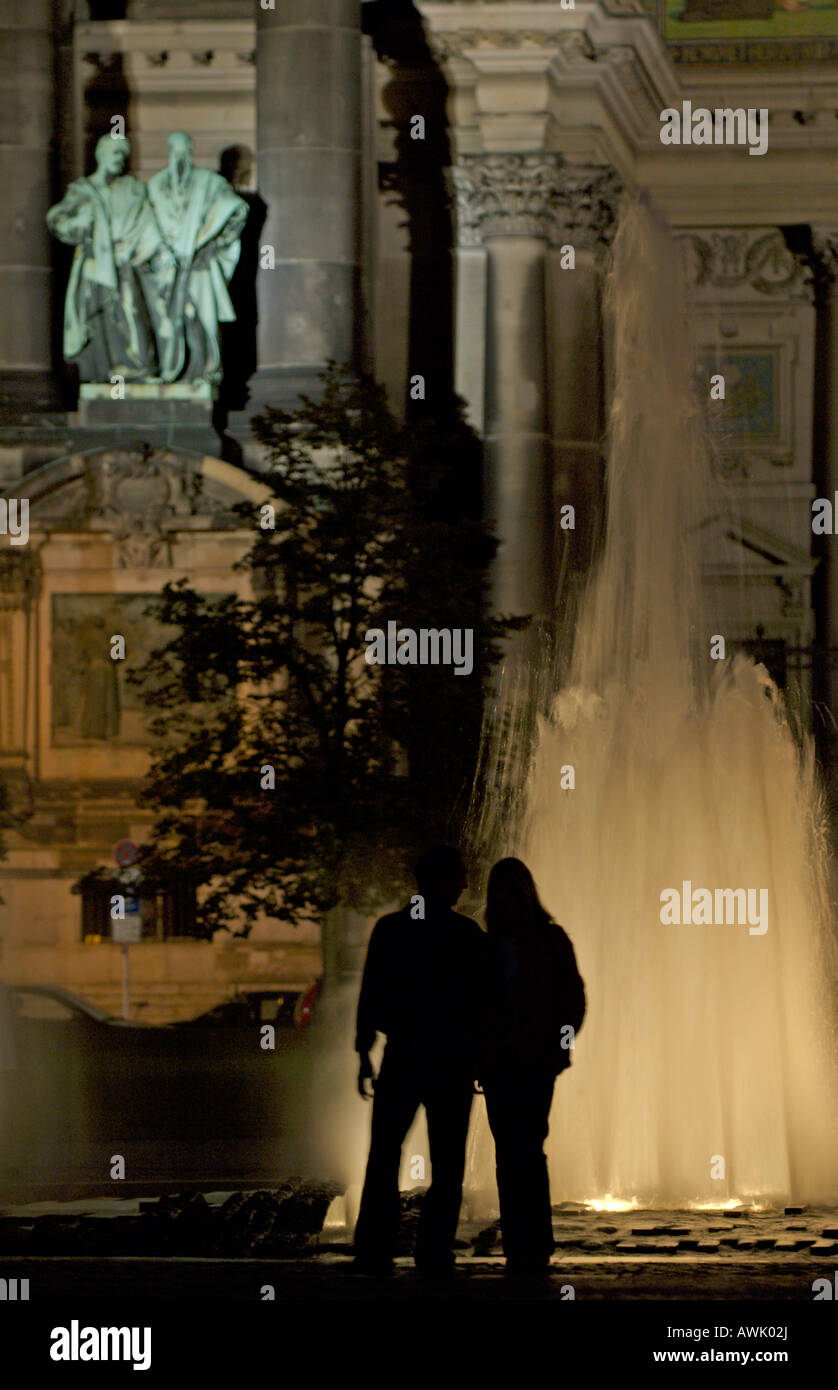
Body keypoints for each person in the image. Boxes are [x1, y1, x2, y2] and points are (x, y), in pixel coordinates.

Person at [353, 845, 486, 1278]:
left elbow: (371, 993)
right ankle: (433, 1248)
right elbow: (483, 1005)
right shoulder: (465, 934)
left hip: (404, 1055)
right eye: (459, 878)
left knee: (385, 1153)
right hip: (452, 1059)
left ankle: (374, 1245)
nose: (466, 886)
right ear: (440, 881)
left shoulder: (391, 930)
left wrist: (363, 1051)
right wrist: (482, 1057)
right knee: (448, 1161)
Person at [479, 857, 586, 1277]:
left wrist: (558, 1052)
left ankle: (534, 1241)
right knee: (510, 1151)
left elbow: (573, 1000)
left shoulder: (551, 940)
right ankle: (520, 1242)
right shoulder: (485, 946)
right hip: (498, 1064)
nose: (504, 899)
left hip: (535, 1064)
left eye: (511, 891)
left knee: (527, 1147)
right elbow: (474, 1007)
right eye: (498, 891)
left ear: (525, 894)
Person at [46, 134, 162, 382]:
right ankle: (103, 372)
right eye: (114, 153)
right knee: (95, 316)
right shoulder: (82, 190)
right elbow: (58, 220)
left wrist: (134, 250)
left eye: (123, 154)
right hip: (94, 264)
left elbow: (147, 224)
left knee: (130, 311)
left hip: (124, 262)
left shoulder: (132, 189)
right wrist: (78, 223)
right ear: (100, 155)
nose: (119, 159)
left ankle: (138, 367)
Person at [146, 132, 248, 384]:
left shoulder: (209, 182)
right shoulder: (156, 185)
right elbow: (146, 222)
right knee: (171, 319)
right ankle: (172, 370)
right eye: (174, 150)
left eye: (184, 150)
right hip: (168, 267)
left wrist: (213, 241)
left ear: (191, 151)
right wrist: (159, 251)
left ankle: (207, 371)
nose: (179, 156)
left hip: (199, 264)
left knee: (204, 317)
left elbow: (236, 209)